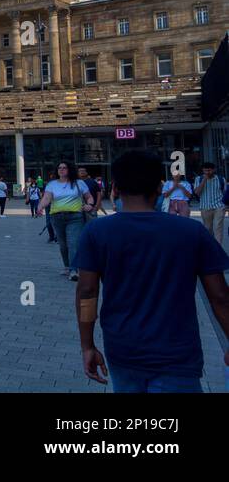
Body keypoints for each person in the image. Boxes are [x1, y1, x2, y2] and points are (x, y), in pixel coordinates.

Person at [74, 148, 229, 393]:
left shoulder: (97, 232)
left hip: (123, 349)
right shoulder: (191, 232)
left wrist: (87, 346)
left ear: (115, 188)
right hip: (177, 352)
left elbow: (87, 292)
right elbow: (220, 297)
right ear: (159, 187)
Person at [43, 160, 94, 279]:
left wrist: (90, 205)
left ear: (69, 169)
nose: (61, 169)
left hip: (75, 216)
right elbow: (46, 198)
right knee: (63, 244)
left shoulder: (79, 183)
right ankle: (67, 267)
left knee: (73, 243)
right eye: (59, 168)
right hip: (57, 217)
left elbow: (89, 197)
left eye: (64, 167)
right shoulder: (52, 184)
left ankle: (74, 270)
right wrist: (40, 206)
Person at [194, 162, 226, 245]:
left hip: (219, 206)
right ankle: (210, 248)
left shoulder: (221, 179)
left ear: (214, 170)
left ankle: (218, 249)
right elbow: (197, 192)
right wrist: (204, 180)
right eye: (205, 171)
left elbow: (225, 192)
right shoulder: (199, 179)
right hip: (205, 207)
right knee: (208, 229)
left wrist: (225, 205)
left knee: (218, 228)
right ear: (203, 171)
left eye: (209, 170)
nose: (207, 172)